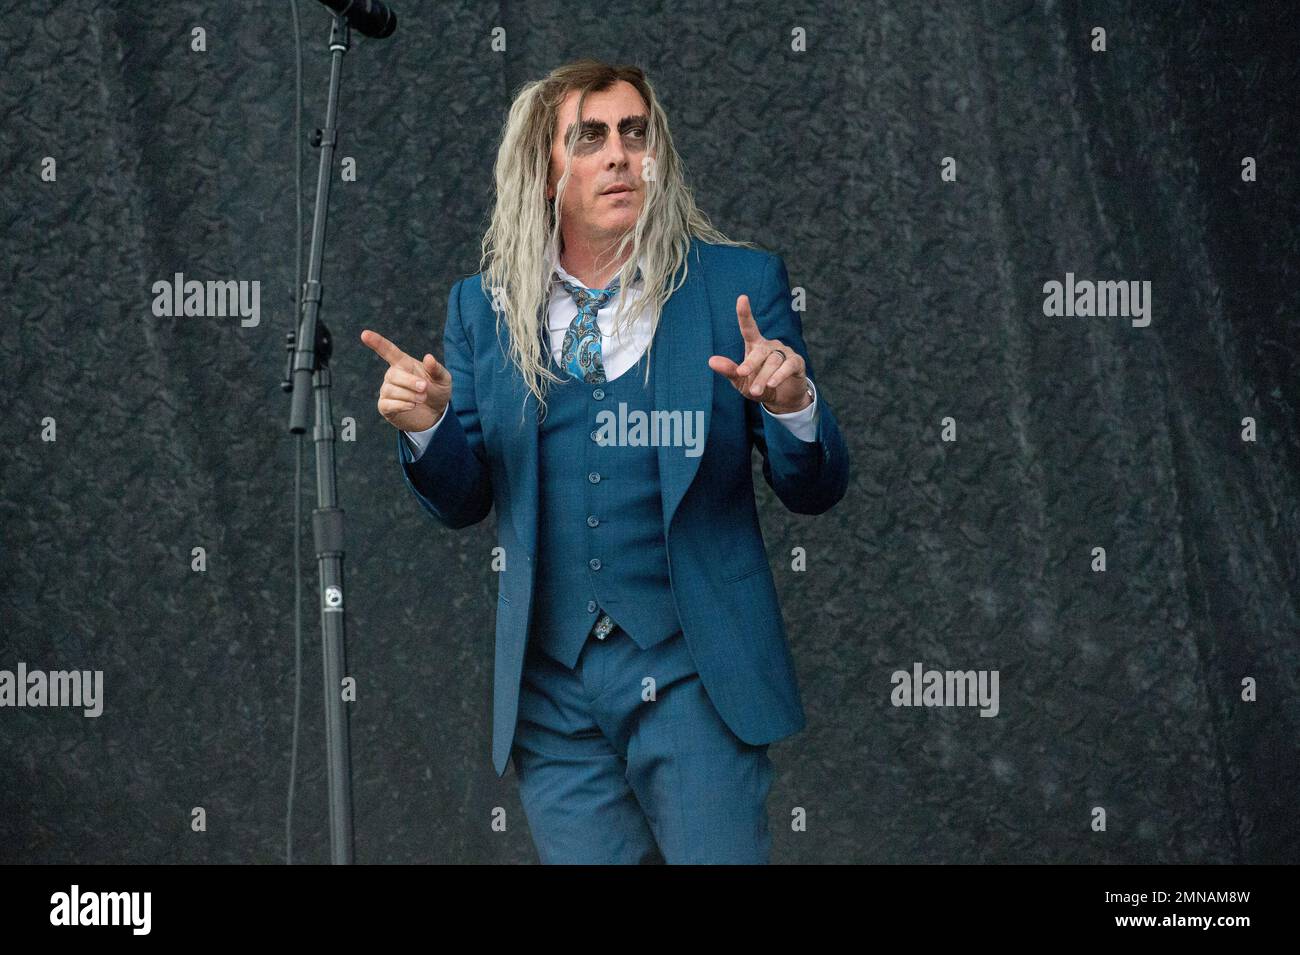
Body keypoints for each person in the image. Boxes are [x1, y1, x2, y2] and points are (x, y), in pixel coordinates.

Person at [362, 58, 849, 863]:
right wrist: (429, 424)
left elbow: (815, 488)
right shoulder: (482, 309)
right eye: (589, 137)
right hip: (556, 696)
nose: (620, 154)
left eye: (635, 132)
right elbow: (463, 497)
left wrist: (795, 405)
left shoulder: (737, 284)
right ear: (544, 168)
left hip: (695, 677)